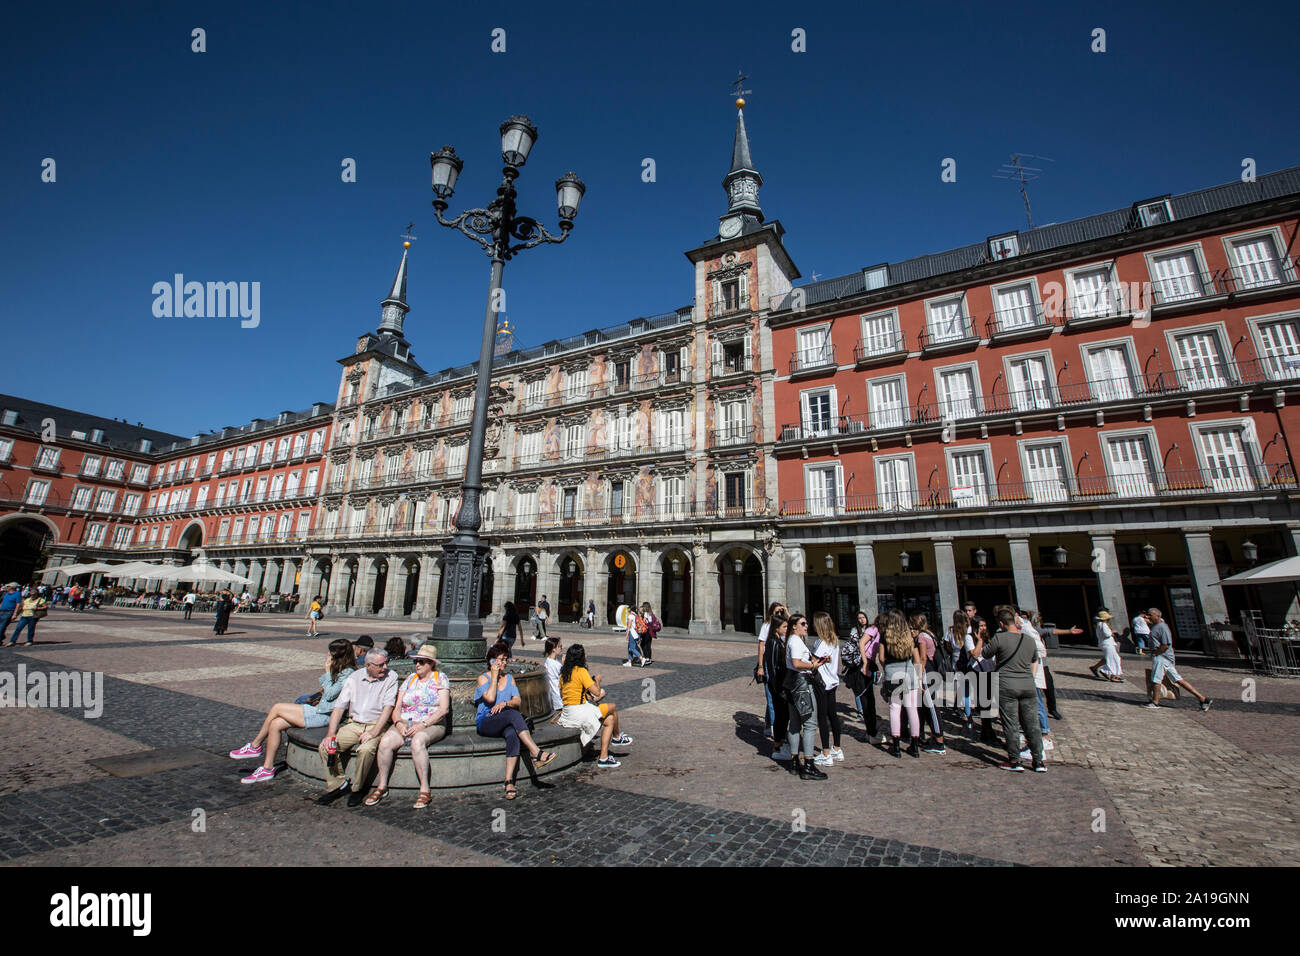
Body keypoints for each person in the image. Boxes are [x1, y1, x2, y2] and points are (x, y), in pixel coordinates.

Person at [232, 638, 355, 783]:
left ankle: (255, 746)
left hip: (325, 716)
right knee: (276, 724)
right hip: (319, 710)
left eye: (331, 653)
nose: (327, 655)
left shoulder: (348, 673)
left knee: (277, 707)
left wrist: (327, 672)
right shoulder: (339, 669)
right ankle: (267, 768)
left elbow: (329, 695)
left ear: (339, 655)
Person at [371, 644, 450, 809]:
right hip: (406, 721)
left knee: (418, 741)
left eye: (422, 662)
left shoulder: (440, 678)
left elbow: (444, 709)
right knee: (385, 742)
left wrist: (423, 725)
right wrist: (399, 724)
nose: (418, 665)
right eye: (416, 661)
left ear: (432, 664)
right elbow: (397, 707)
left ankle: (424, 789)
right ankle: (382, 785)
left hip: (432, 723)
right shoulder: (410, 679)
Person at [317, 647, 399, 806]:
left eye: (386, 663)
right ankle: (339, 784)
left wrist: (374, 732)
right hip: (354, 724)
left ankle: (358, 788)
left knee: (366, 749)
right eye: (380, 665)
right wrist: (330, 734)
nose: (385, 668)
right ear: (368, 665)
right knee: (326, 747)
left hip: (375, 724)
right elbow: (339, 707)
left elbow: (388, 708)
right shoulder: (354, 678)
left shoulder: (391, 677)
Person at [476, 642, 557, 798]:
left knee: (512, 734)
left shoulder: (510, 678)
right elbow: (490, 698)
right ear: (492, 661)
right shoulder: (483, 679)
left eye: (506, 659)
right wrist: (494, 677)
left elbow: (517, 701)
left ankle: (509, 782)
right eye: (501, 659)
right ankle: (536, 753)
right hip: (487, 721)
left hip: (506, 719)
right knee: (514, 715)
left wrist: (505, 703)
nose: (505, 663)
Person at [983, 608, 1045, 772]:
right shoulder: (1029, 640)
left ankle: (1015, 760)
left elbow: (986, 654)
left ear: (1001, 624)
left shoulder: (1000, 638)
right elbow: (1034, 659)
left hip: (1007, 684)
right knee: (1032, 724)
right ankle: (1038, 761)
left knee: (1011, 723)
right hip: (1027, 684)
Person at [557, 643, 631, 769]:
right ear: (580, 657)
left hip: (567, 712)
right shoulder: (581, 671)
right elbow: (597, 692)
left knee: (609, 720)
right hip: (580, 711)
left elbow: (562, 693)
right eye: (584, 653)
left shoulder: (564, 673)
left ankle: (604, 757)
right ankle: (617, 737)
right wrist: (597, 680)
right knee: (612, 707)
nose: (587, 655)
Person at [784, 614, 826, 779]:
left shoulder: (794, 640)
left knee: (794, 724)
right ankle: (808, 764)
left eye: (806, 623)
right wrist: (812, 665)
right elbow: (796, 663)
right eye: (803, 623)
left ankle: (794, 761)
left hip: (792, 683)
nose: (806, 626)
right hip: (802, 684)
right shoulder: (795, 641)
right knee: (809, 724)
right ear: (794, 626)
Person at [1146, 608, 1212, 712]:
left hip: (1162, 657)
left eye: (1150, 615)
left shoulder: (1162, 627)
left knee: (1156, 679)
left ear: (1158, 616)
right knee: (1178, 680)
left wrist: (1155, 653)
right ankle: (1203, 699)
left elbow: (1166, 645)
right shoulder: (1155, 626)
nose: (1148, 617)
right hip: (1163, 657)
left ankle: (1155, 702)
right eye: (1147, 615)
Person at [877, 610, 923, 758]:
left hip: (892, 673)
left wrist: (888, 668)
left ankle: (896, 746)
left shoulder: (884, 636)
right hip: (908, 671)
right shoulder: (909, 636)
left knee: (894, 709)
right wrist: (919, 678)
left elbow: (882, 658)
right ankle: (915, 746)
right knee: (912, 709)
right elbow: (917, 659)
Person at [1015, 609, 1054, 757]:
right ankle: (1032, 739)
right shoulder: (1020, 629)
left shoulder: (1027, 629)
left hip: (1031, 675)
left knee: (1035, 706)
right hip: (1025, 675)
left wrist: (1030, 664)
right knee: (1027, 708)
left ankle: (1043, 738)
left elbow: (1041, 651)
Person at [910, 612, 947, 755]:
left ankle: (939, 741)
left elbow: (923, 658)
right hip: (934, 672)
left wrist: (919, 677)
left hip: (927, 673)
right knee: (928, 706)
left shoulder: (921, 637)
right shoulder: (930, 634)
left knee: (932, 707)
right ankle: (934, 736)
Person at [810, 611, 843, 767]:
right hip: (832, 682)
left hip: (822, 683)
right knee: (833, 716)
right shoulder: (834, 641)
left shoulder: (822, 643)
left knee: (822, 718)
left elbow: (813, 662)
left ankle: (825, 753)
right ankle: (837, 748)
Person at [844, 610, 879, 739]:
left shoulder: (872, 629)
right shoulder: (857, 631)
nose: (861, 620)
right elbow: (857, 644)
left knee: (869, 696)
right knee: (864, 694)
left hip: (868, 664)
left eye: (863, 617)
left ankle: (871, 728)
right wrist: (865, 662)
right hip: (861, 665)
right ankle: (870, 727)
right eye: (859, 618)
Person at [756, 601, 788, 740]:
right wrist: (761, 666)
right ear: (771, 613)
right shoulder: (767, 626)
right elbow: (761, 646)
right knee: (772, 697)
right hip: (769, 665)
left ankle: (769, 725)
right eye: (777, 612)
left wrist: (786, 611)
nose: (779, 615)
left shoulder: (785, 627)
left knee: (776, 695)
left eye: (781, 612)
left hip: (782, 665)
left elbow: (798, 627)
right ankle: (777, 732)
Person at [765, 612, 793, 760]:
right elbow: (773, 668)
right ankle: (778, 746)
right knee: (780, 717)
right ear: (777, 628)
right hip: (778, 686)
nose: (786, 628)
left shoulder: (779, 640)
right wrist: (778, 688)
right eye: (784, 626)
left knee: (783, 716)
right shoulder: (773, 642)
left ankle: (781, 743)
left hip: (781, 685)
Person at [1090, 610, 1124, 681]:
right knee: (1114, 659)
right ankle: (1111, 674)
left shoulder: (1099, 625)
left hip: (1105, 644)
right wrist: (1112, 632)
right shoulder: (1103, 625)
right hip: (1108, 644)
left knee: (1112, 658)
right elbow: (1107, 634)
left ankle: (1110, 673)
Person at [543, 635, 563, 712]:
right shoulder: (555, 664)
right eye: (559, 646)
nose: (561, 648)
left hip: (554, 697)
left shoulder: (548, 661)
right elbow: (564, 677)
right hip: (559, 697)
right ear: (553, 649)